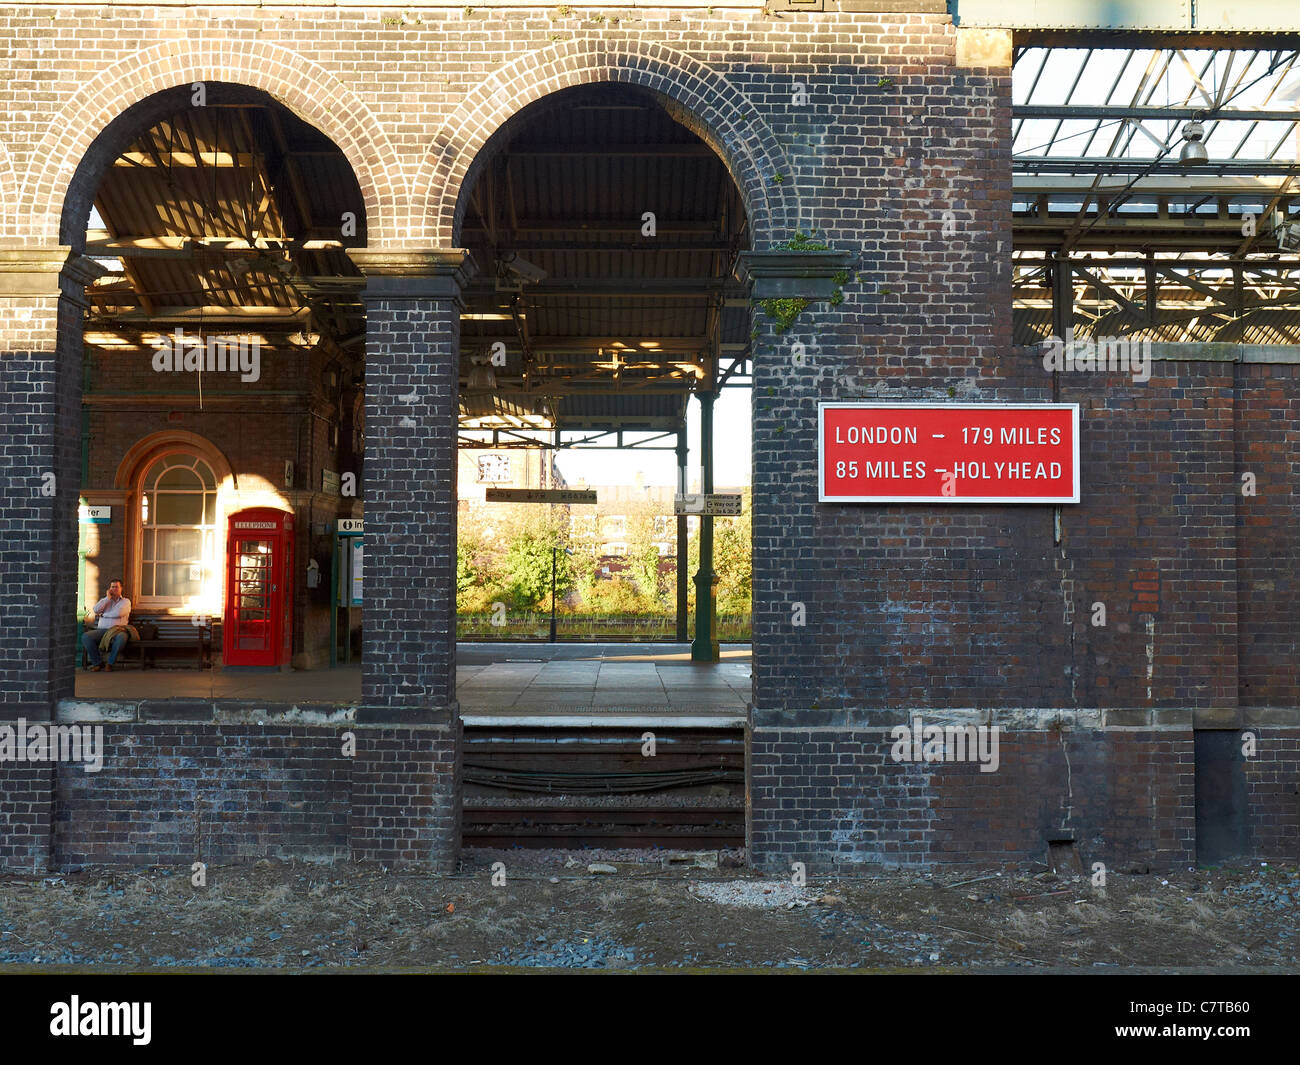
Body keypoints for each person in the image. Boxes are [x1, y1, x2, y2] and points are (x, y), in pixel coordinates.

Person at [82, 579, 132, 671]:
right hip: (103, 630)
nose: (114, 589)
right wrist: (107, 599)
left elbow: (119, 613)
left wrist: (104, 615)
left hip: (118, 630)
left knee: (121, 638)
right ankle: (97, 663)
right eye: (112, 587)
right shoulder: (105, 601)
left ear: (121, 588)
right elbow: (96, 610)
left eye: (116, 587)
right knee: (86, 636)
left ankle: (110, 663)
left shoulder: (126, 601)